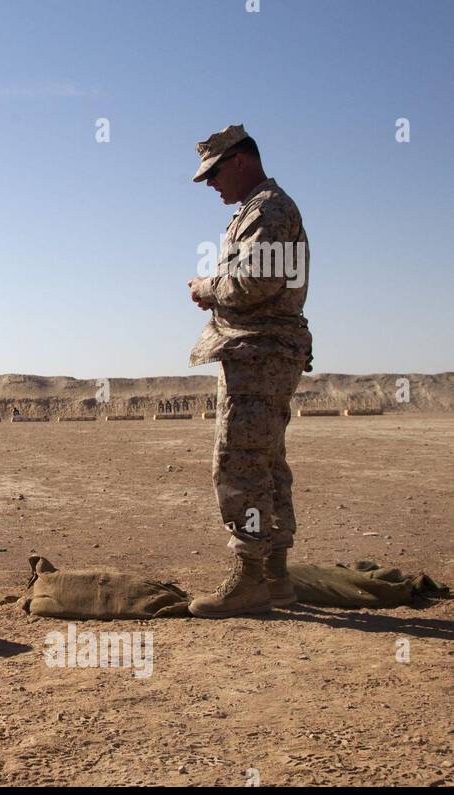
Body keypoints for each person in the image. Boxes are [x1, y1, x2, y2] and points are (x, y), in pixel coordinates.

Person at [185, 124, 313, 618]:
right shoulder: (258, 210)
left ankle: (250, 577)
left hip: (258, 351)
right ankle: (275, 575)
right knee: (264, 460)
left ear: (240, 160)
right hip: (261, 349)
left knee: (239, 461)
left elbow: (257, 280)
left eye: (214, 174)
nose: (212, 185)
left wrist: (207, 288)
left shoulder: (269, 209)